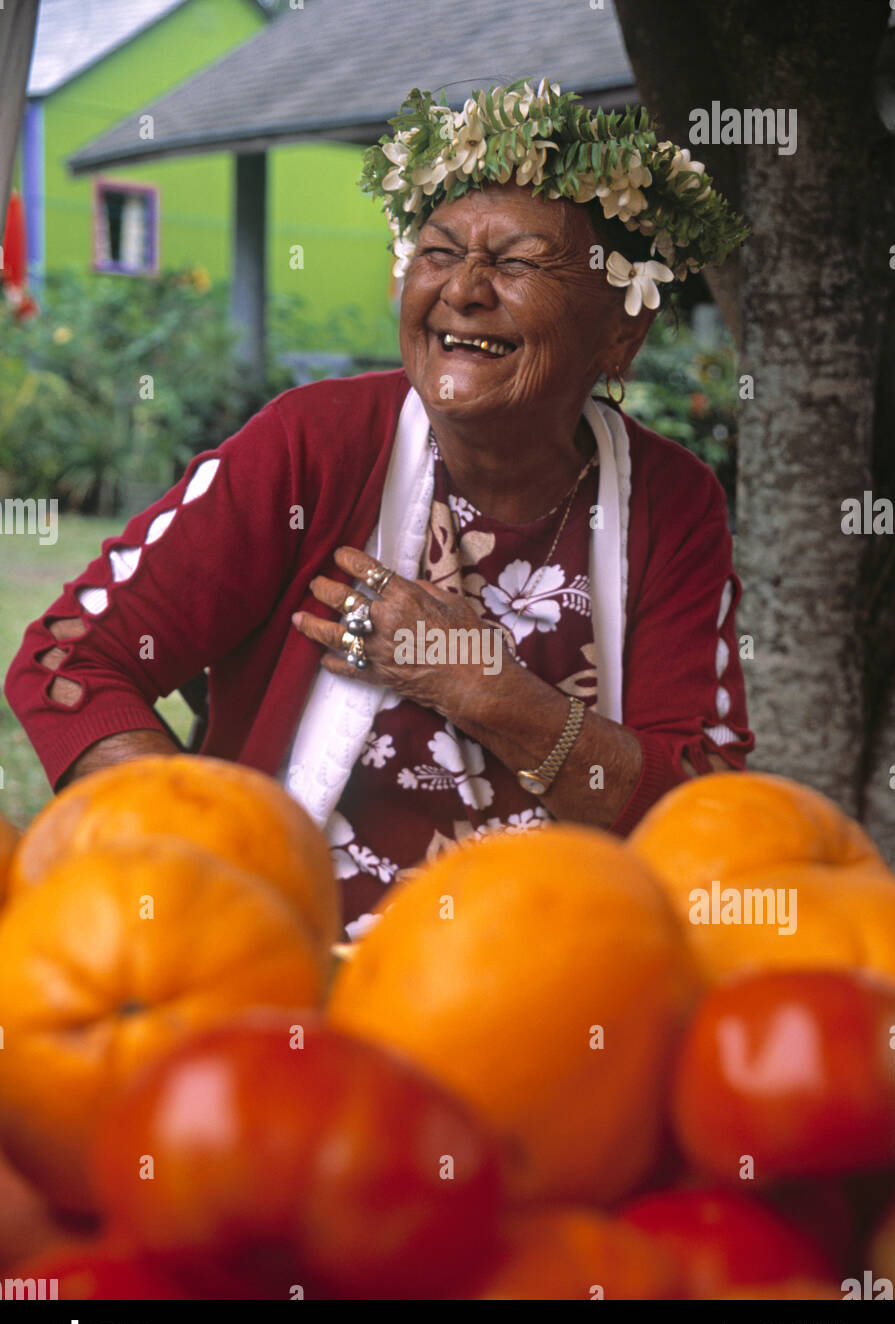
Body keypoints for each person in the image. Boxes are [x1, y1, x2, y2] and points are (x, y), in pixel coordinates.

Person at [5, 79, 754, 940]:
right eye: (437, 253)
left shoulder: (670, 502)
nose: (463, 289)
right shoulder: (314, 446)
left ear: (623, 331)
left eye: (514, 263)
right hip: (293, 959)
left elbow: (700, 810)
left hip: (559, 975)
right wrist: (202, 860)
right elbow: (74, 663)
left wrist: (482, 685)